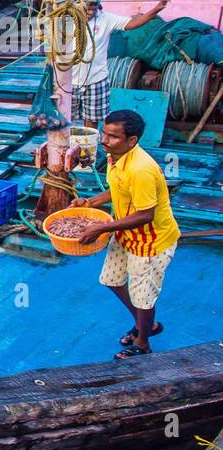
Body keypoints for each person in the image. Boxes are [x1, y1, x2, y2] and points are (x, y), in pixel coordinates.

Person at [70, 109, 179, 360]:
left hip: (151, 240)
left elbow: (146, 215)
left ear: (132, 140)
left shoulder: (140, 169)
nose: (104, 141)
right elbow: (118, 190)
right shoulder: (115, 157)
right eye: (104, 134)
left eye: (113, 137)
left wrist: (100, 227)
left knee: (144, 297)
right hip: (126, 232)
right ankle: (147, 324)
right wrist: (91, 201)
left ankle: (142, 343)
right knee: (111, 280)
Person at [71, 0, 165, 130]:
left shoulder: (106, 18)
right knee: (65, 118)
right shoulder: (67, 20)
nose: (90, 12)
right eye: (87, 8)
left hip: (96, 79)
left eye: (93, 7)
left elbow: (133, 23)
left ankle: (88, 148)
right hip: (69, 79)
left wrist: (156, 9)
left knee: (92, 120)